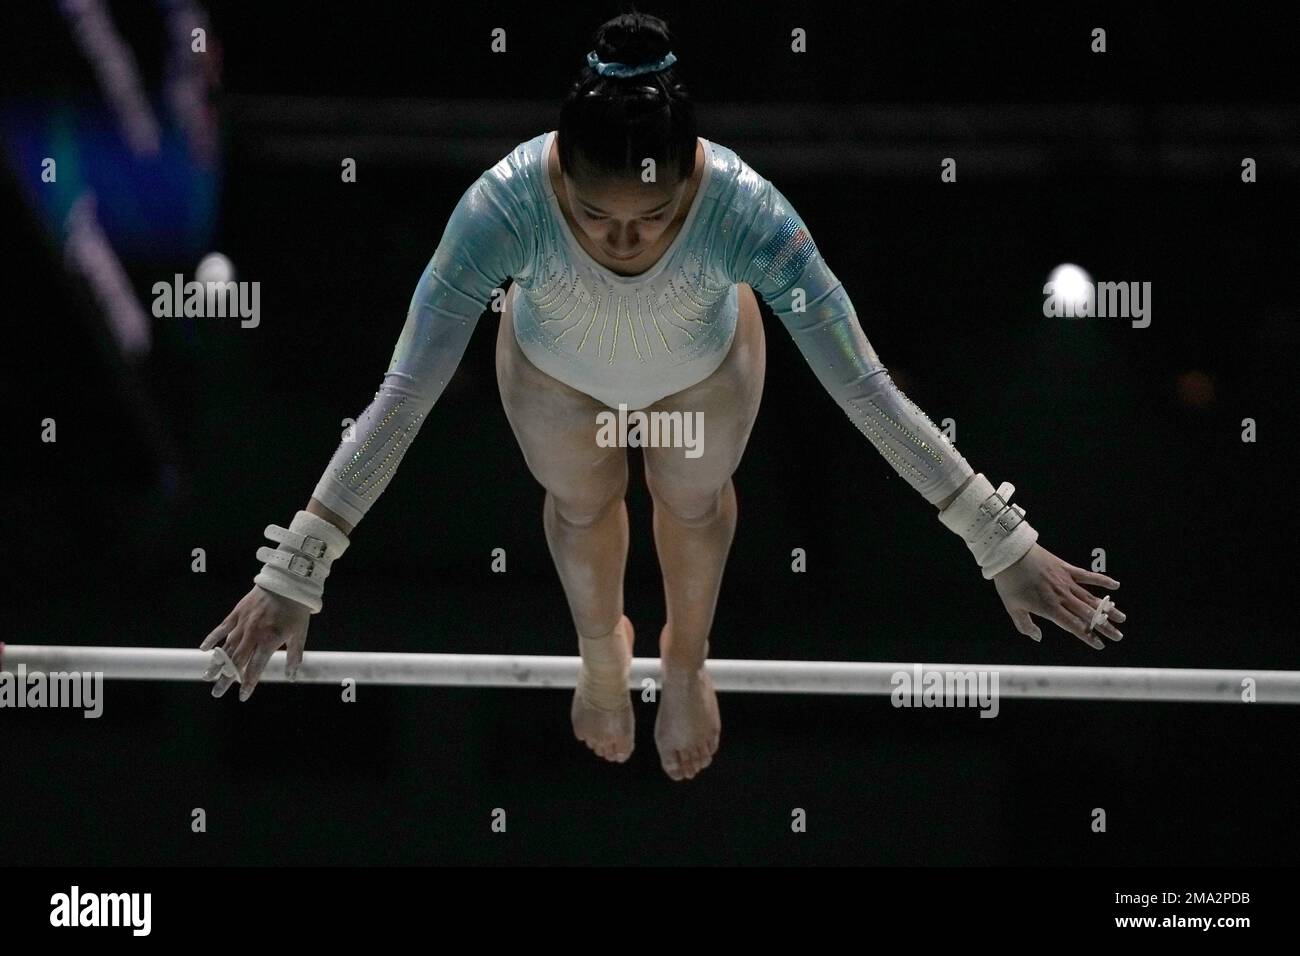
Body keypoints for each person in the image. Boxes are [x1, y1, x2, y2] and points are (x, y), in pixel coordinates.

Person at [201, 11, 1125, 781]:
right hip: (556, 374)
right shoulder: (503, 207)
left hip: (706, 369)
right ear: (561, 169)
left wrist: (999, 543)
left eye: (655, 217)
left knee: (689, 499)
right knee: (582, 497)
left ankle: (685, 660)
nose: (625, 240)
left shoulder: (749, 213)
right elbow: (404, 395)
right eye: (597, 217)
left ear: (692, 181)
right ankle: (603, 655)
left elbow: (865, 389)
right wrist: (297, 569)